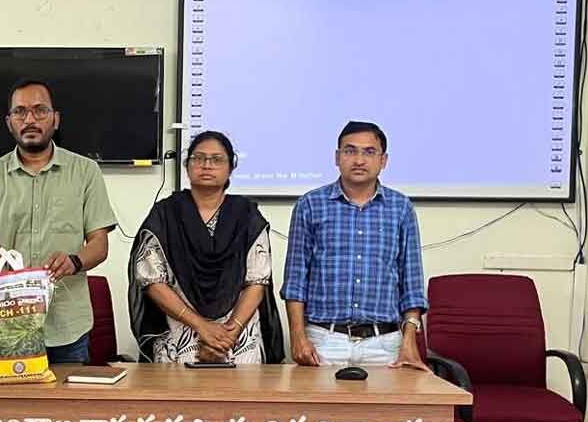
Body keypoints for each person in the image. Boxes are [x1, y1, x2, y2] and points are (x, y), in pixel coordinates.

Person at [0, 78, 117, 364]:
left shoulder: (86, 171)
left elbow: (100, 244)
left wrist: (74, 261)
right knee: (9, 396)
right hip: (8, 324)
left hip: (67, 326)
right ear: (9, 122)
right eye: (20, 112)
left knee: (67, 395)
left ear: (55, 119)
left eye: (40, 110)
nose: (30, 119)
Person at [281, 120, 428, 369]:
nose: (359, 160)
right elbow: (295, 281)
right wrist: (298, 337)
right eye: (350, 151)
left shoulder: (401, 207)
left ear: (383, 160)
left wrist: (409, 340)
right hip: (324, 342)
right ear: (337, 157)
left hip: (385, 344)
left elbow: (411, 284)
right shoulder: (310, 205)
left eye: (369, 152)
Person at [129, 130, 284, 364]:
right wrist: (201, 326)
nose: (207, 165)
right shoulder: (165, 214)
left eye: (217, 159)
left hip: (238, 336)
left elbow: (257, 281)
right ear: (187, 166)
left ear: (231, 168)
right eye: (199, 158)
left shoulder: (247, 215)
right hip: (179, 334)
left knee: (242, 387)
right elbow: (152, 281)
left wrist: (230, 333)